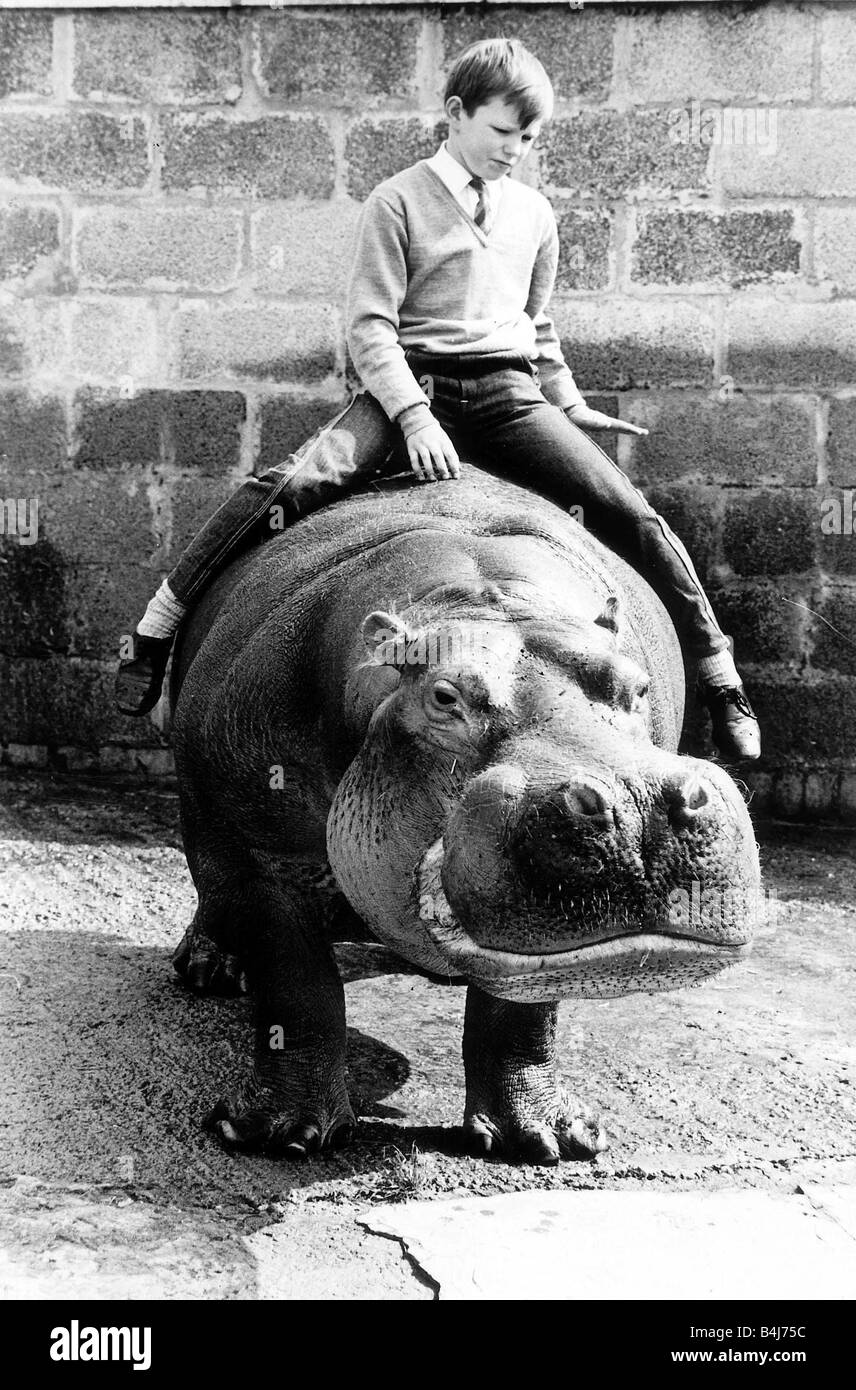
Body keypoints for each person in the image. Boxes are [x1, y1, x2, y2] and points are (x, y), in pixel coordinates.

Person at [116, 37, 759, 761]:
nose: (515, 149)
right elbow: (369, 328)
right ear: (455, 115)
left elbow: (537, 325)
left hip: (507, 394)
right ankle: (157, 631)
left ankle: (719, 677)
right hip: (410, 389)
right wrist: (412, 416)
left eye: (529, 137)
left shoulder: (535, 215)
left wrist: (569, 407)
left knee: (633, 514)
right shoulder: (397, 202)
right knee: (289, 486)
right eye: (502, 131)